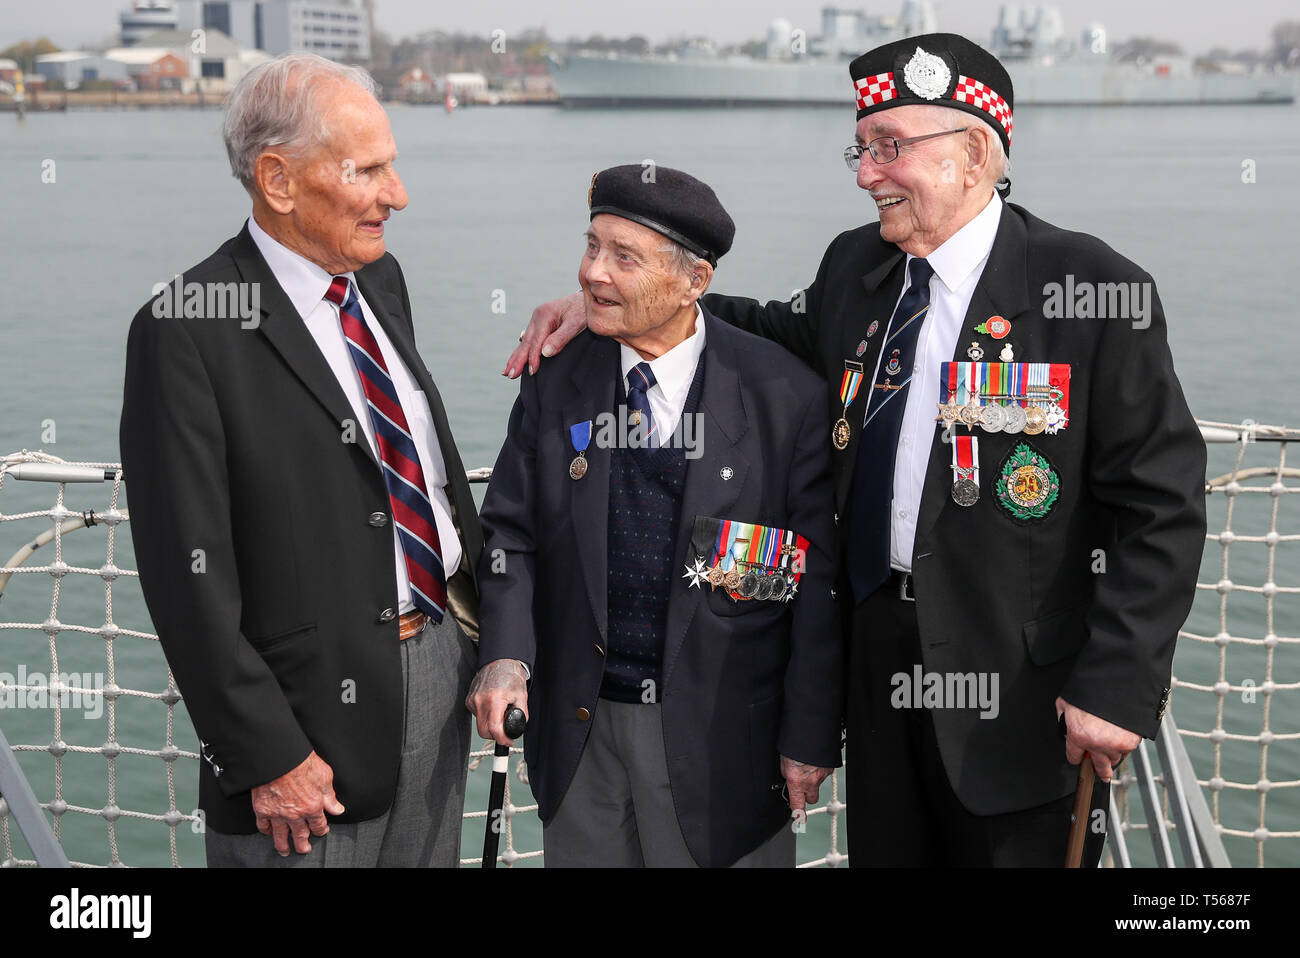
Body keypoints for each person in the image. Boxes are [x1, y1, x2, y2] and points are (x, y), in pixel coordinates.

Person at [505, 34, 1207, 867]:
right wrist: (617, 300)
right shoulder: (858, 269)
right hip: (877, 675)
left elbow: (1161, 506)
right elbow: (769, 328)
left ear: (975, 152)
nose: (867, 172)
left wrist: (1116, 684)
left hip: (1020, 695)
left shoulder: (1086, 289)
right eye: (862, 149)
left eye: (890, 148)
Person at [119, 53, 481, 867]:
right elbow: (185, 577)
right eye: (371, 170)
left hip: (440, 681)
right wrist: (267, 753)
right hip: (301, 741)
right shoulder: (184, 329)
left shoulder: (381, 282)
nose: (400, 194)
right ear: (277, 179)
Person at [467, 164, 843, 867]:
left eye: (623, 257)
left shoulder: (783, 398)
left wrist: (811, 736)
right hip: (581, 738)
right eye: (590, 246)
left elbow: (813, 587)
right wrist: (505, 657)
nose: (592, 274)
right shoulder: (558, 379)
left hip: (727, 745)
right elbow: (511, 536)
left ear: (693, 282)